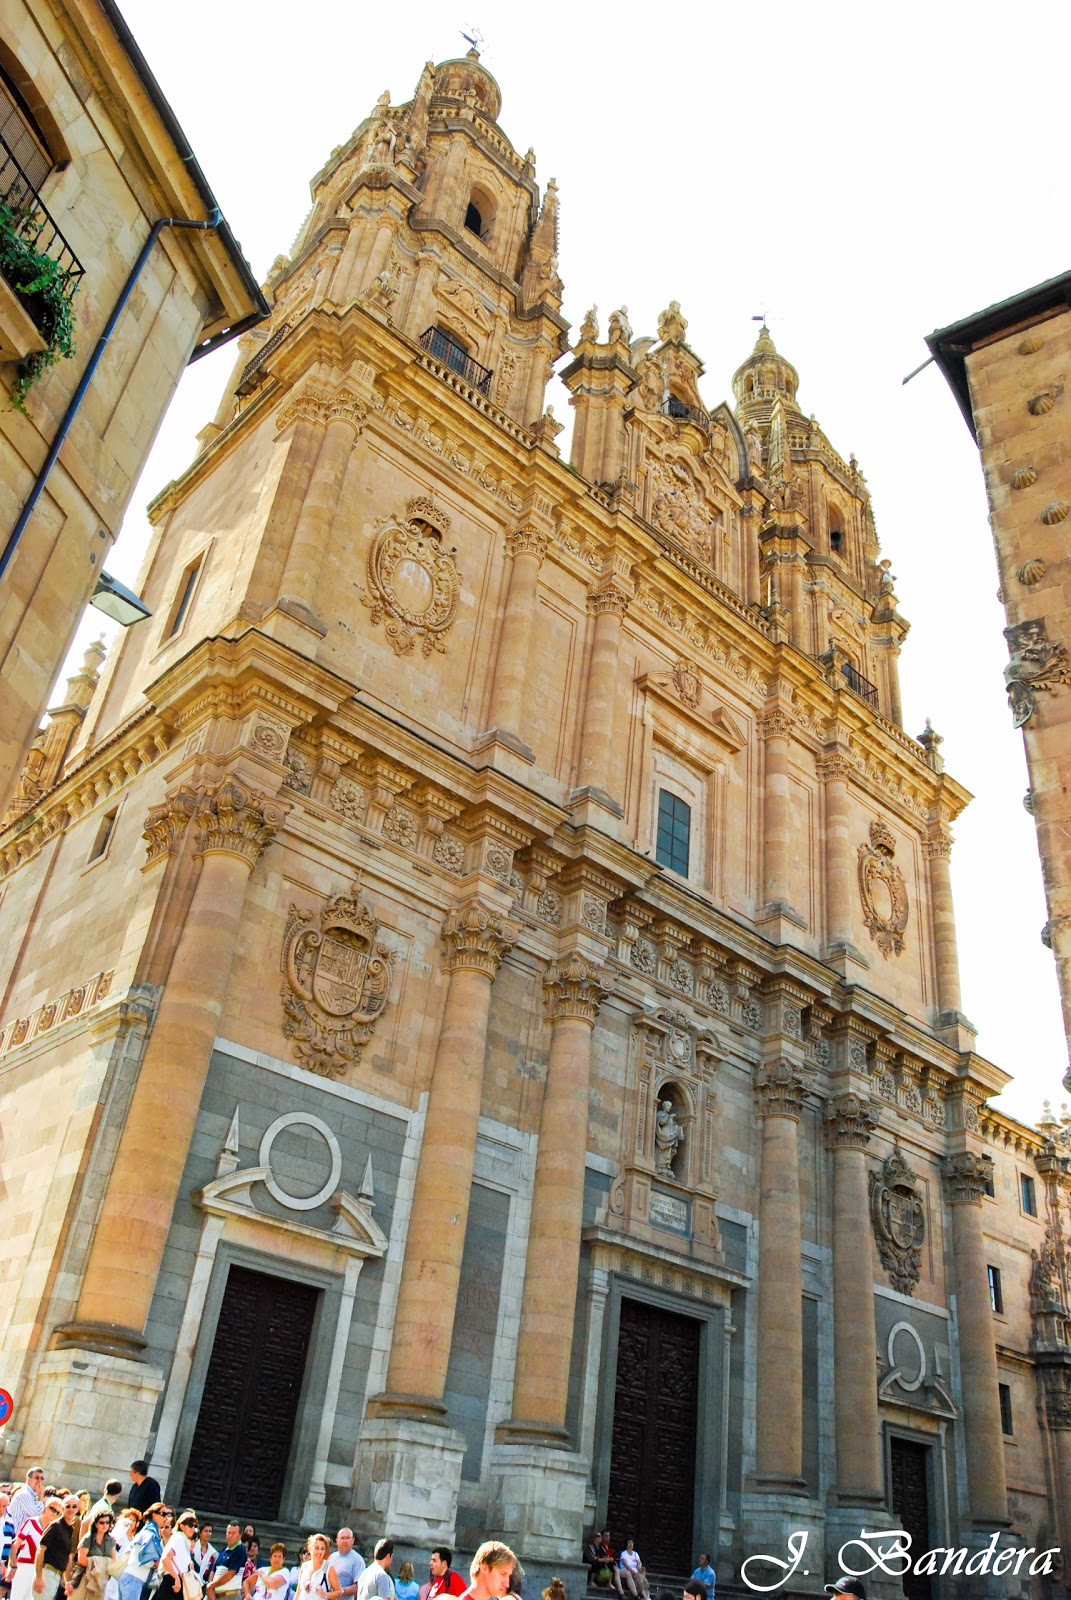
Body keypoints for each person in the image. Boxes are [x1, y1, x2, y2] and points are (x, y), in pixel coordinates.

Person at [9, 1501, 58, 1600]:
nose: (54, 1513)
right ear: (45, 1507)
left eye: (58, 1512)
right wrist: (12, 1565)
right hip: (24, 1567)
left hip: (42, 1571)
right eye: (52, 1508)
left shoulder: (55, 1529)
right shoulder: (31, 1522)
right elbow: (15, 1545)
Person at [35, 1493, 79, 1600]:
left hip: (57, 1576)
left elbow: (67, 1558)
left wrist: (68, 1581)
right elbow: (40, 1550)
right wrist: (39, 1576)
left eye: (74, 1506)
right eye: (68, 1506)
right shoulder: (55, 1526)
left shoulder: (70, 1530)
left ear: (78, 1509)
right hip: (47, 1573)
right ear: (62, 1508)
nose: (71, 1509)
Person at [119, 1506, 169, 1600]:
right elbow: (144, 1559)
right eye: (163, 1514)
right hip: (134, 1579)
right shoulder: (151, 1533)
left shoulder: (146, 1530)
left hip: (129, 1577)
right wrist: (155, 1563)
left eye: (167, 1515)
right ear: (154, 1515)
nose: (166, 1518)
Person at [73, 1508, 116, 1599]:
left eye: (107, 1522)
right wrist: (101, 1563)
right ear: (96, 1524)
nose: (105, 1525)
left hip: (101, 1580)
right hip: (84, 1576)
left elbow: (113, 1561)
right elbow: (81, 1560)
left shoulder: (111, 1540)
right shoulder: (88, 1538)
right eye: (101, 1522)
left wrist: (99, 1564)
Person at [158, 1511, 196, 1600]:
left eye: (194, 1526)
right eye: (190, 1525)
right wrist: (176, 1578)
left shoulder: (183, 1540)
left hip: (177, 1583)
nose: (193, 1528)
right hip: (172, 1583)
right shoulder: (178, 1538)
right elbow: (165, 1558)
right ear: (182, 1526)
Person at [206, 1529, 246, 1600]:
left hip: (231, 1596)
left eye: (233, 1533)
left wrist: (212, 1585)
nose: (230, 1535)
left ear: (240, 1535)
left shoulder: (240, 1550)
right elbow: (213, 1571)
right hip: (216, 1596)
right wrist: (210, 1586)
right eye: (229, 1533)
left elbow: (230, 1574)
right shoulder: (223, 1551)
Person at [327, 1533, 363, 1600]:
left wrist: (340, 1591)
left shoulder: (357, 1560)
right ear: (337, 1540)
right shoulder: (331, 1557)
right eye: (342, 1538)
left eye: (348, 1538)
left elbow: (359, 1585)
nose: (345, 1541)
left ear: (353, 1540)